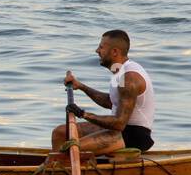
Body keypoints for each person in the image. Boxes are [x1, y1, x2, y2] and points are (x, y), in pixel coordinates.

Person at [54, 29, 155, 157]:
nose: (97, 51)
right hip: (120, 130)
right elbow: (110, 102)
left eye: (101, 47)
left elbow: (119, 123)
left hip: (133, 136)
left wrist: (83, 114)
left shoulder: (129, 78)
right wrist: (81, 86)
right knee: (60, 132)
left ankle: (61, 165)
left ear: (114, 52)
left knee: (70, 151)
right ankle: (57, 167)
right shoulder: (117, 69)